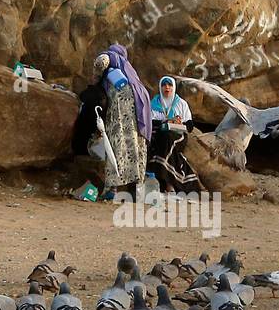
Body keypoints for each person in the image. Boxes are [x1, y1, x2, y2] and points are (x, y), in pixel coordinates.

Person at [72, 45, 150, 199]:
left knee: (116, 142)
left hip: (122, 107)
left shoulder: (113, 57)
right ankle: (135, 190)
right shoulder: (129, 69)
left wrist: (96, 77)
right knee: (135, 146)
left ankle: (112, 189)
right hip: (140, 108)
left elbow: (102, 61)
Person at [148, 76, 201, 192]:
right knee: (165, 139)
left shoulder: (181, 104)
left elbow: (190, 126)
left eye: (169, 85)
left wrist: (177, 123)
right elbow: (150, 122)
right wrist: (165, 121)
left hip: (178, 135)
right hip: (159, 135)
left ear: (174, 87)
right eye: (164, 85)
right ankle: (169, 184)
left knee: (168, 139)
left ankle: (168, 183)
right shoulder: (153, 103)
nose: (167, 87)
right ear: (160, 87)